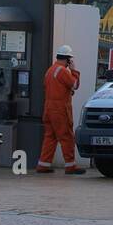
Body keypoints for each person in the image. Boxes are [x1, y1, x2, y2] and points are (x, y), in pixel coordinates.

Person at [36, 44, 86, 174]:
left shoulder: (50, 70)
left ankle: (43, 164)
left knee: (50, 137)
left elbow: (55, 88)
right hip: (59, 109)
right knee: (67, 137)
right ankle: (70, 166)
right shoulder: (63, 71)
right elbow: (75, 85)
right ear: (68, 60)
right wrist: (74, 71)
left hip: (48, 108)